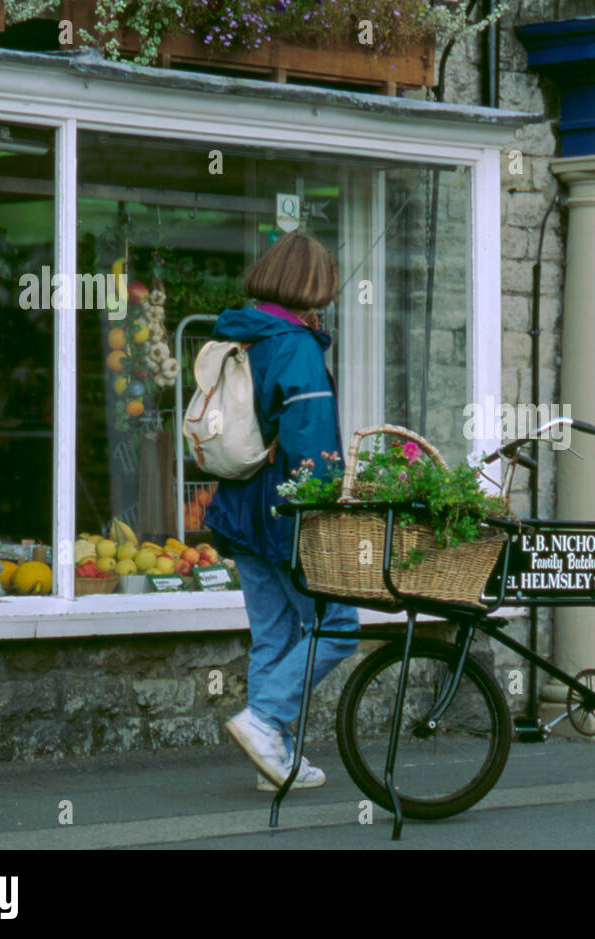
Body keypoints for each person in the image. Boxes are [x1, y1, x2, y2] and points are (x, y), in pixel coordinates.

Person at [205, 231, 360, 792]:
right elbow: (311, 442)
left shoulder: (241, 335)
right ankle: (265, 721)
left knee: (273, 636)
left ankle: (276, 760)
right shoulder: (293, 345)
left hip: (237, 505)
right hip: (286, 513)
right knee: (337, 626)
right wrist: (329, 503)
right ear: (312, 285)